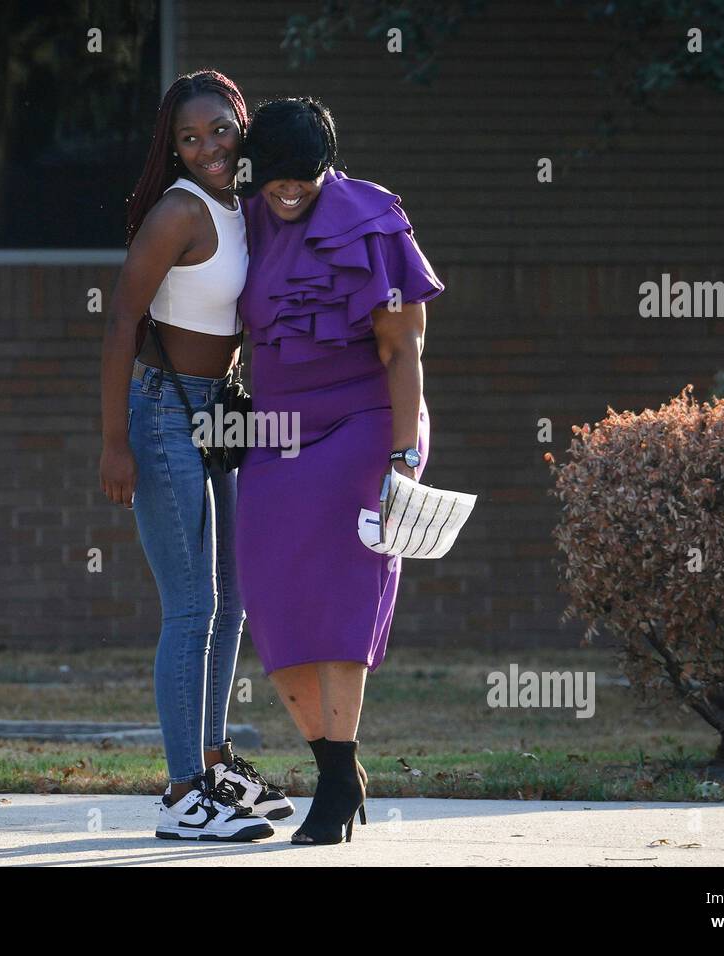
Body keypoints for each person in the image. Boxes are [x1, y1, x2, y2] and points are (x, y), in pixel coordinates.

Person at [235, 97, 444, 845]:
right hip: (277, 428)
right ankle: (333, 765)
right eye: (276, 180)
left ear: (327, 169)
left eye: (304, 179)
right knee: (271, 591)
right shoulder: (247, 216)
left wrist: (403, 457)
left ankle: (335, 776)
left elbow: (402, 351)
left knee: (345, 589)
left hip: (365, 421)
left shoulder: (372, 219)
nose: (289, 193)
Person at [98, 70, 293, 841]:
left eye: (219, 130)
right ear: (172, 150)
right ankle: (183, 796)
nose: (208, 146)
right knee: (192, 606)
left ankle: (214, 764)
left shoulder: (246, 208)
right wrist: (115, 444)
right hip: (161, 412)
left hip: (219, 414)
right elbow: (120, 323)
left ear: (242, 126)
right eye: (189, 137)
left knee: (234, 595)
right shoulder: (178, 213)